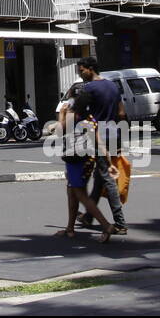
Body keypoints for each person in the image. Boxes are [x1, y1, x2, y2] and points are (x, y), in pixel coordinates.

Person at [73, 58, 128, 235]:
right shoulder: (113, 86)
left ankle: (120, 222)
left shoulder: (88, 88)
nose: (80, 74)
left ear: (90, 69)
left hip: (98, 136)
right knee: (100, 177)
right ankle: (89, 216)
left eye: (82, 71)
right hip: (114, 132)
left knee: (107, 177)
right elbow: (121, 112)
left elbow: (78, 113)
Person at [55, 90, 114, 243]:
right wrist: (109, 161)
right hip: (87, 160)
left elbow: (59, 132)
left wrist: (61, 114)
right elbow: (99, 142)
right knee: (71, 192)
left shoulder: (71, 116)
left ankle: (106, 225)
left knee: (81, 195)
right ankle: (70, 229)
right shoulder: (90, 119)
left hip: (74, 161)